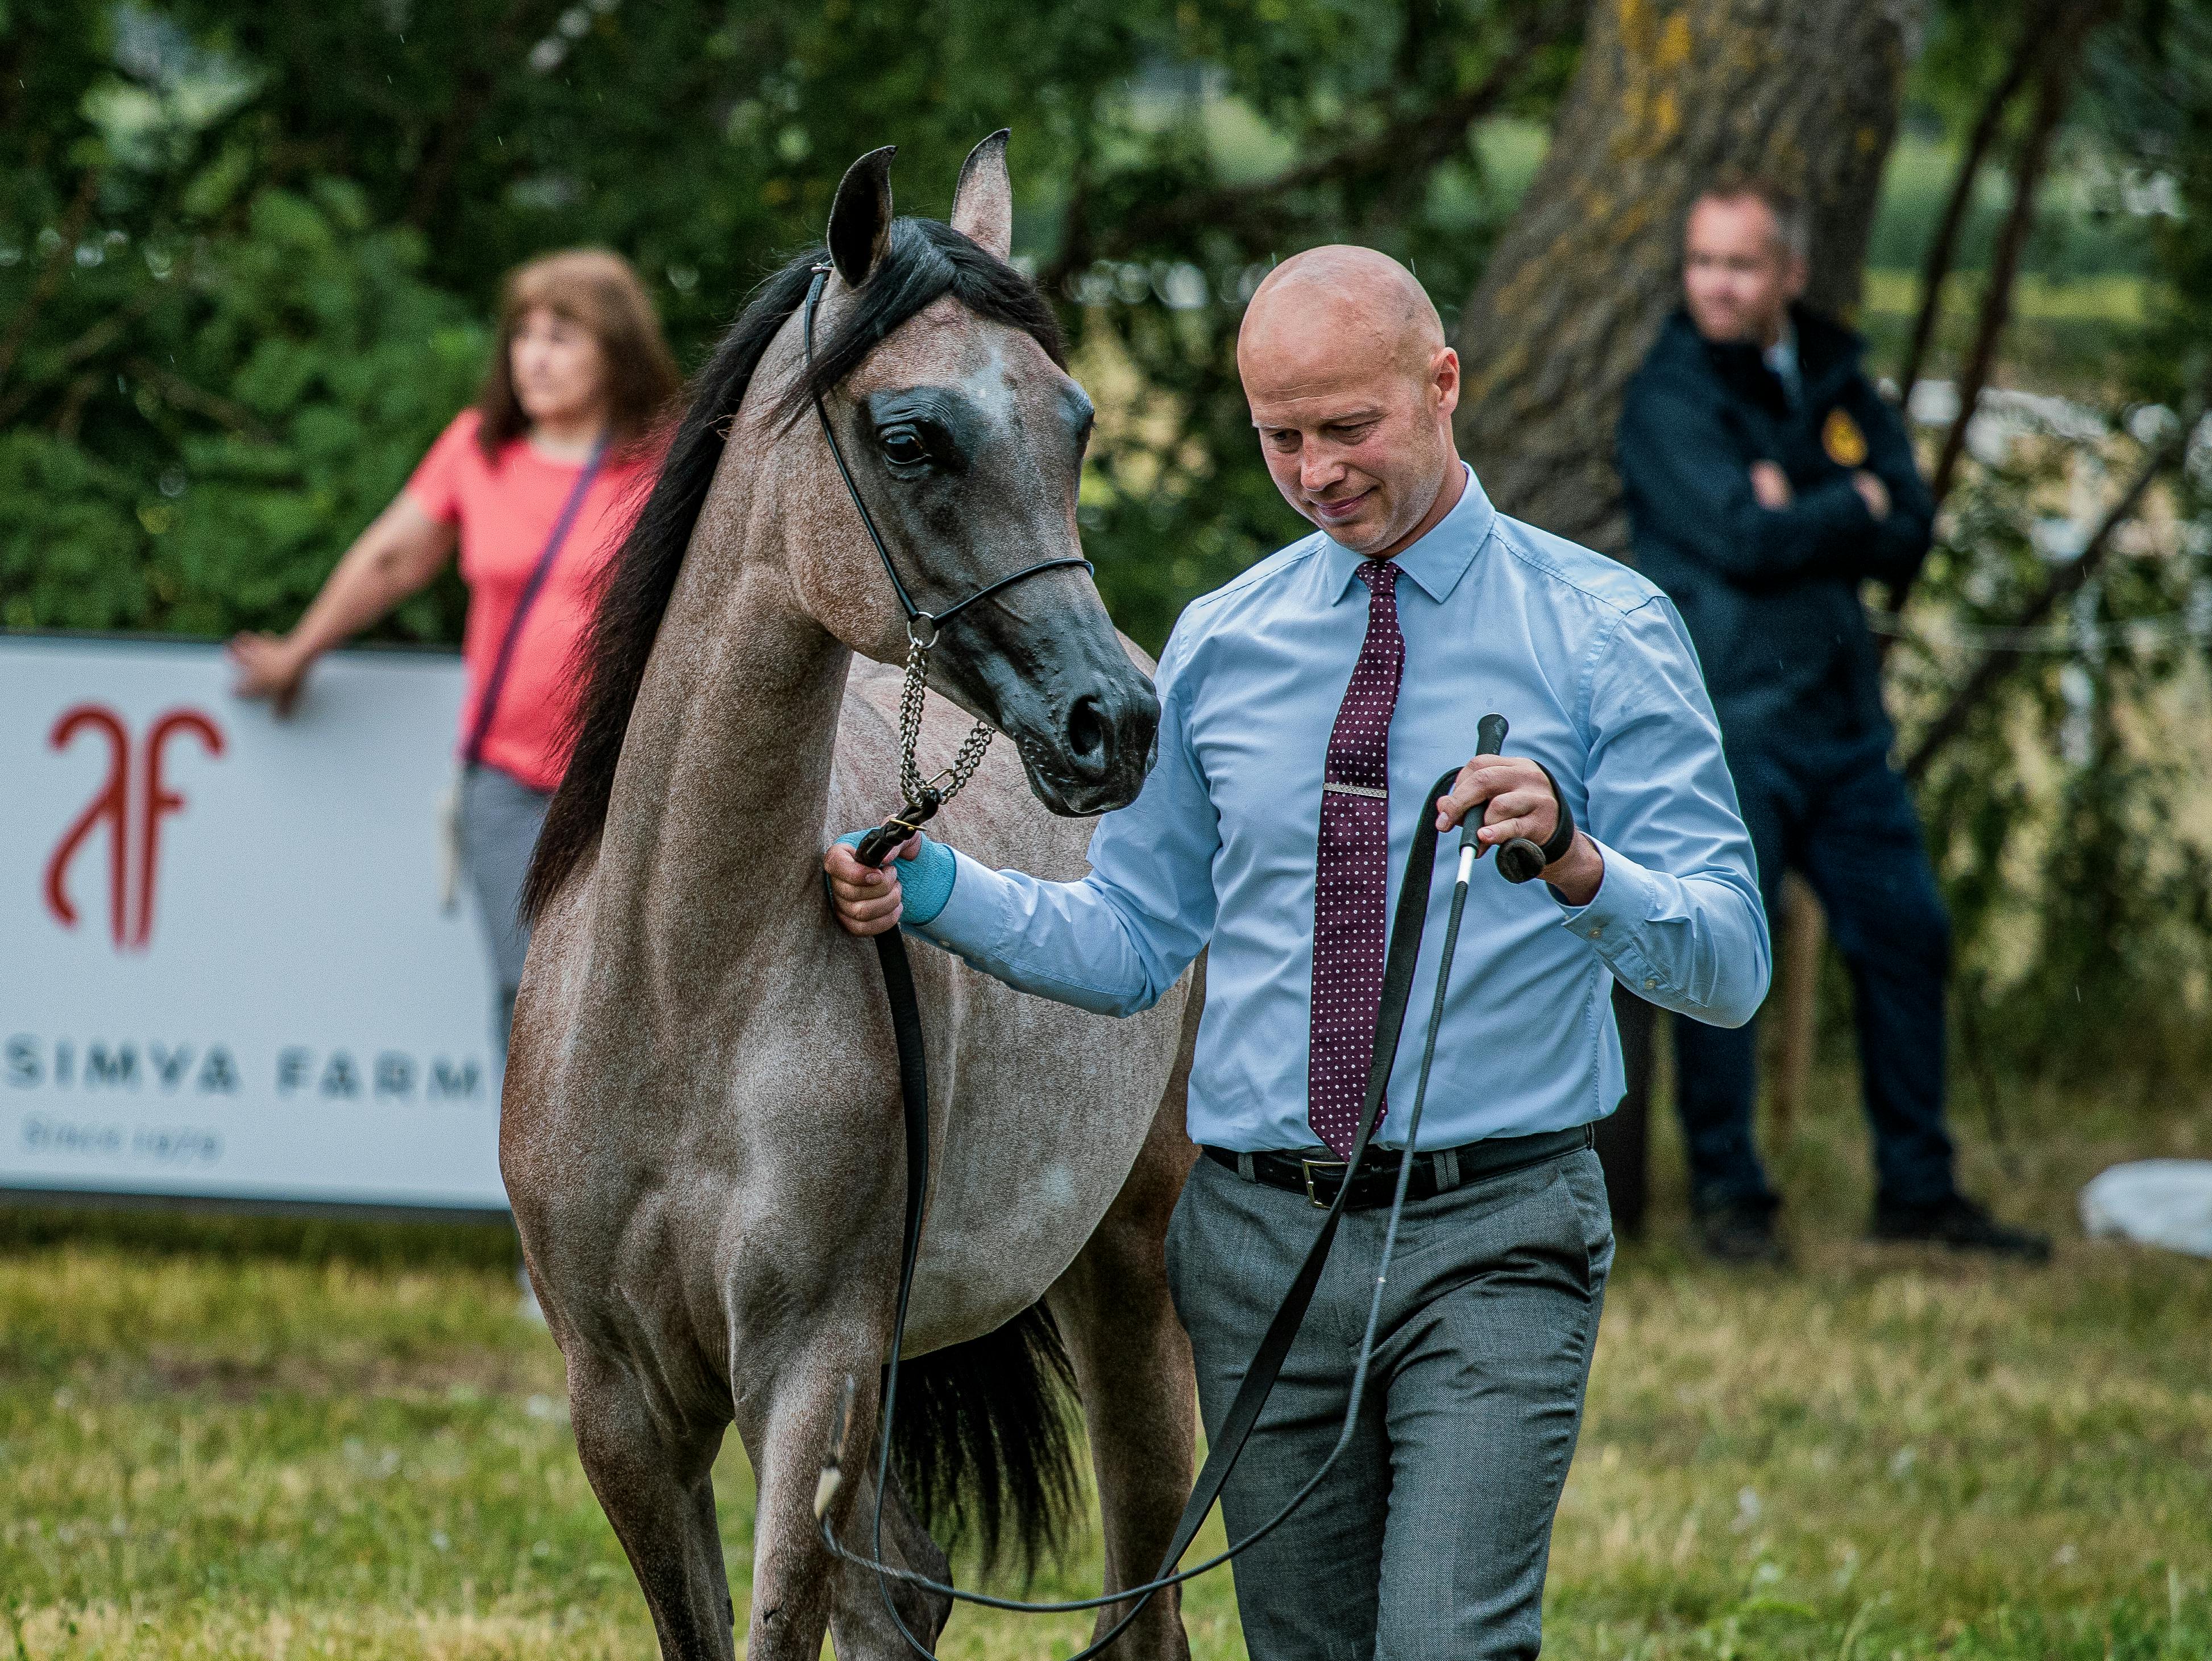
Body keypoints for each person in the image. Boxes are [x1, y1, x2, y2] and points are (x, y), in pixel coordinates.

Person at [825, 247, 1770, 1661]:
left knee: (1448, 1642)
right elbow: (1136, 942)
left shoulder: (1603, 632)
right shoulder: (1215, 643)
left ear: (1440, 386)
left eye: (1348, 429)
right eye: (1281, 438)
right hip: (1257, 1249)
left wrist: (1582, 865)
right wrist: (939, 889)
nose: (1316, 473)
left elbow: (1728, 963)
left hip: (1494, 1235)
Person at [1616, 176, 2051, 1265]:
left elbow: (1908, 524)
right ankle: (1731, 1196)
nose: (1717, 284)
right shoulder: (1666, 395)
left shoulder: (1837, 374)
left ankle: (1918, 1186)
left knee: (1909, 933)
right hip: (1730, 722)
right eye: (1703, 262)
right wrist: (1840, 503)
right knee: (1728, 958)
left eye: (1741, 265)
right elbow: (1736, 540)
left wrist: (1800, 496)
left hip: (1846, 724)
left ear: (1789, 275)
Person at [231, 248, 678, 1059]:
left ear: (617, 350)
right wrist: (300, 651)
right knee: (530, 989)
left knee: (637, 997)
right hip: (506, 780)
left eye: (563, 337)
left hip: (629, 777)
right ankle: (534, 1187)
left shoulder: (666, 461)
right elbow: (392, 559)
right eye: (524, 336)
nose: (534, 357)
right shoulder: (479, 448)